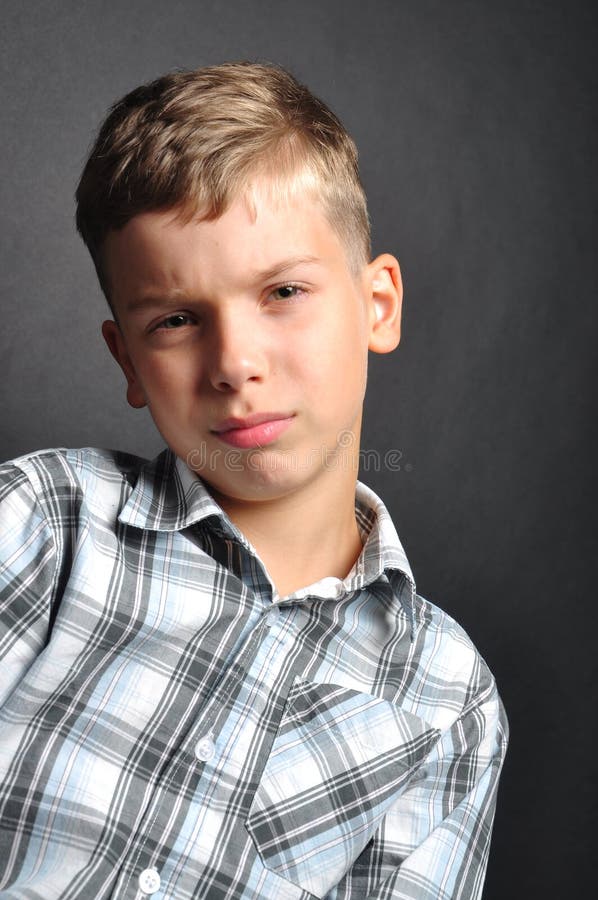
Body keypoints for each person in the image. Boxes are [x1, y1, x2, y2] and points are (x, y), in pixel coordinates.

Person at [0, 62, 508, 899]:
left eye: (283, 291)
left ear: (377, 305)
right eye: (175, 320)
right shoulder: (40, 526)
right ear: (128, 361)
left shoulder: (447, 697)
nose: (234, 364)